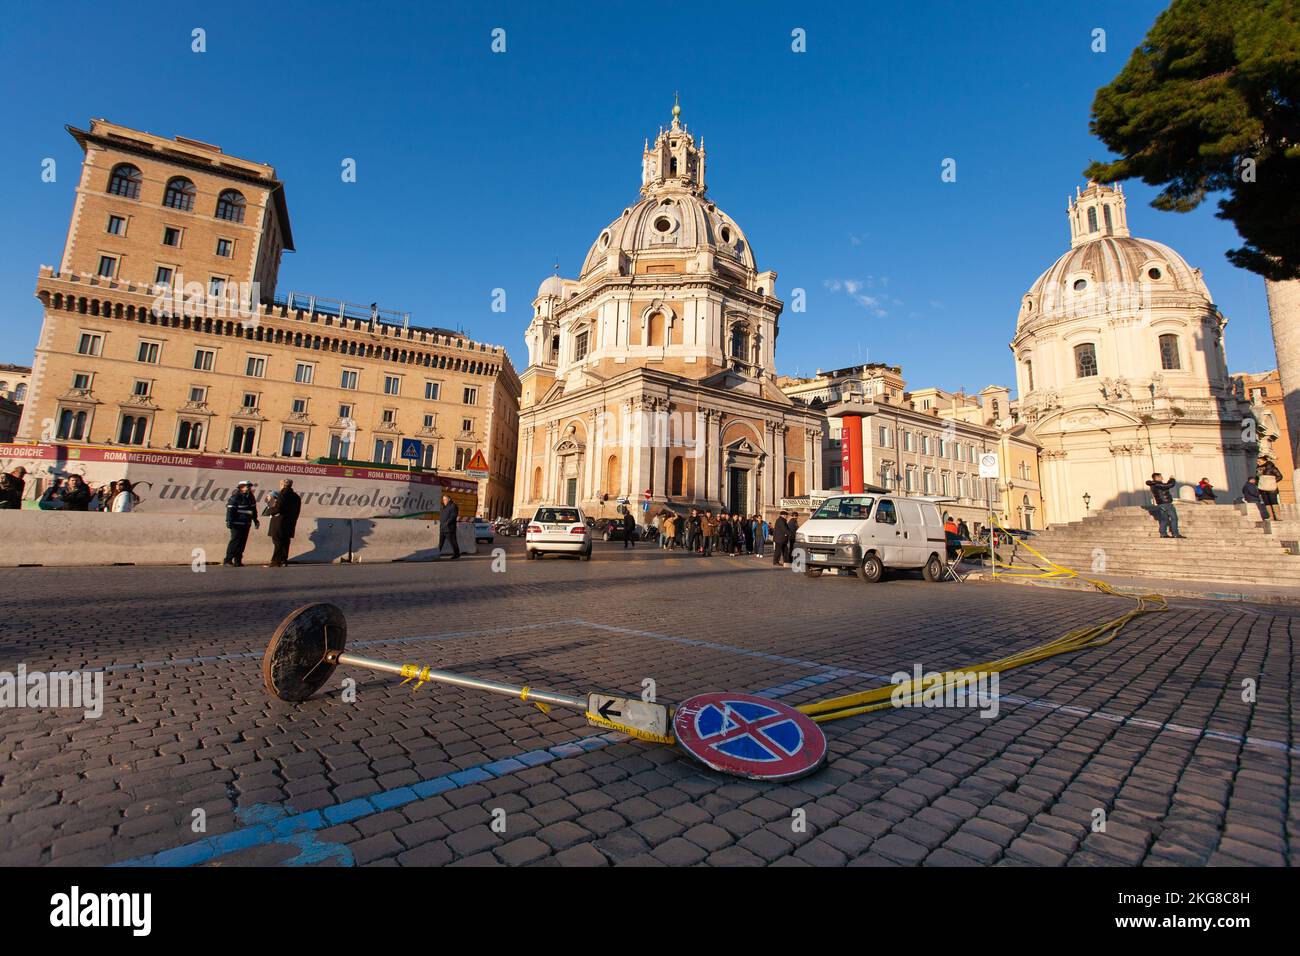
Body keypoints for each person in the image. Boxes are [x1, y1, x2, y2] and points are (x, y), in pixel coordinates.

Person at [266, 478, 302, 567]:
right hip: (290, 522)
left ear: (282, 485)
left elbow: (278, 508)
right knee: (286, 541)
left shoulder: (282, 495)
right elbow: (297, 511)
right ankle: (283, 560)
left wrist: (269, 511)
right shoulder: (296, 497)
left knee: (277, 541)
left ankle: (275, 561)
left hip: (279, 521)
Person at [224, 480, 258, 565]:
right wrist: (229, 521)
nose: (249, 488)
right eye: (247, 486)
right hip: (236, 524)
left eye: (250, 486)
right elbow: (230, 510)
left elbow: (253, 510)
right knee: (235, 541)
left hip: (246, 523)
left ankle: (238, 560)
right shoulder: (235, 497)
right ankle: (228, 560)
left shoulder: (251, 497)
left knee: (242, 542)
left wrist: (255, 520)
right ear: (241, 487)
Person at [1145, 472, 1183, 539]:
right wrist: (1172, 479)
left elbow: (1166, 486)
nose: (1162, 478)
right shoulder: (1157, 484)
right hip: (1166, 504)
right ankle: (1175, 534)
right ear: (1157, 477)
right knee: (1174, 518)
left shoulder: (1153, 485)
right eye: (1160, 476)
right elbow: (1170, 485)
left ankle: (1163, 534)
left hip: (1161, 504)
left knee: (1164, 519)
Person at [438, 493, 461, 559]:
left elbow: (453, 516)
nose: (444, 501)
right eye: (443, 500)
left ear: (449, 499)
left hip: (449, 528)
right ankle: (437, 553)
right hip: (442, 528)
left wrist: (447, 523)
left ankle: (457, 554)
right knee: (440, 542)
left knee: (453, 542)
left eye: (445, 499)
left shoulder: (453, 506)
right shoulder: (443, 507)